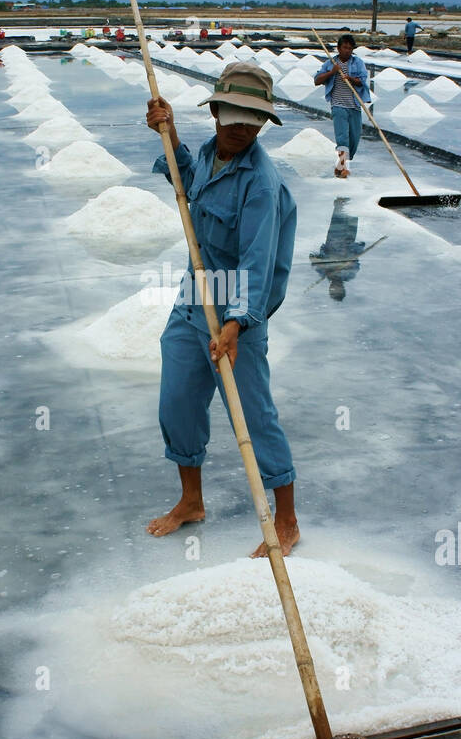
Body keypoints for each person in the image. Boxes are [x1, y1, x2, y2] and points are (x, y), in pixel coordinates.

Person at [145, 62, 299, 556]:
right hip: (194, 297)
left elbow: (257, 262)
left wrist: (234, 324)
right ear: (214, 112)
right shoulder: (212, 153)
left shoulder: (262, 183)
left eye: (252, 121)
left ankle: (288, 521)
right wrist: (168, 135)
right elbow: (187, 184)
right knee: (178, 403)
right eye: (233, 116)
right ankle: (191, 501)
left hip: (240, 312)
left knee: (253, 416)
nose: (241, 128)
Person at [313, 34, 371, 178]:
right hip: (338, 105)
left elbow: (362, 81)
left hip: (355, 105)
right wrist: (331, 72)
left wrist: (350, 79)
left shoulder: (357, 62)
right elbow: (317, 80)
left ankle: (339, 167)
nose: (347, 51)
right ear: (338, 48)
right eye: (344, 48)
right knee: (342, 138)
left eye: (350, 48)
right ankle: (343, 168)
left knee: (354, 139)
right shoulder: (330, 63)